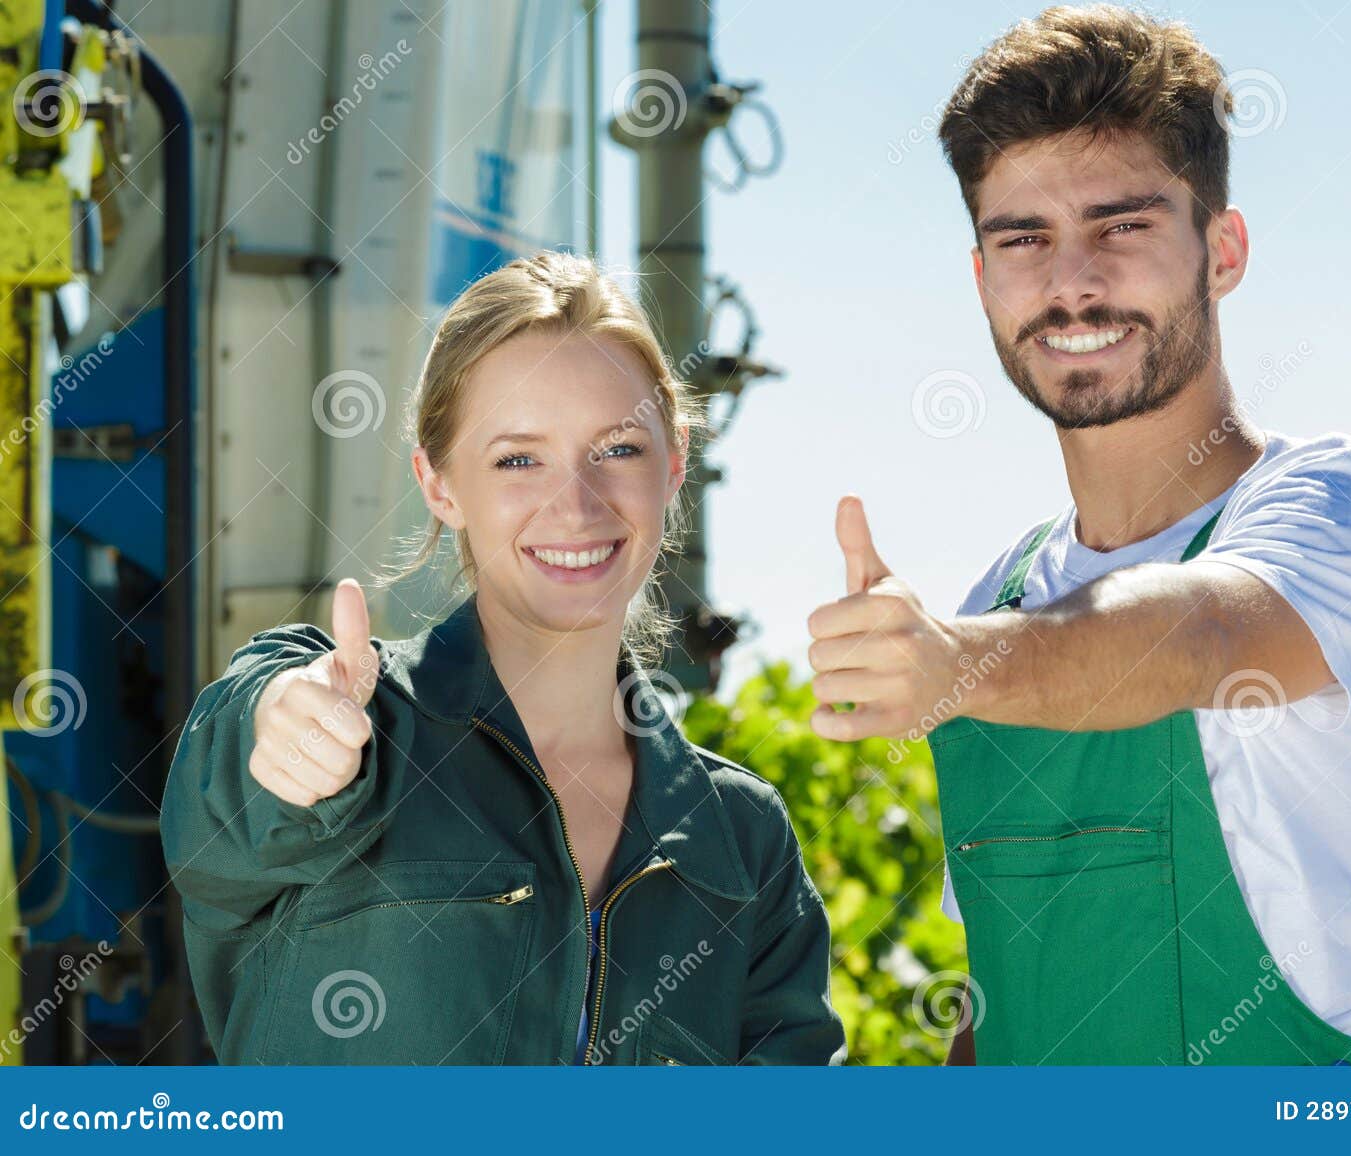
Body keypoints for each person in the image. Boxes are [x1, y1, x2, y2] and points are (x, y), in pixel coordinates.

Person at [806, 4, 1351, 1065]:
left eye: (1122, 226)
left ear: (1223, 248)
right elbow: (999, 1008)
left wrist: (960, 663)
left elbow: (1195, 636)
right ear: (981, 277)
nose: (1072, 282)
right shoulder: (1002, 598)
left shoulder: (1334, 514)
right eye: (1024, 239)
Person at [161, 251, 846, 1066]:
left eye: (619, 449)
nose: (577, 505)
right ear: (440, 483)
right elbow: (236, 769)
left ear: (676, 465)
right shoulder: (357, 733)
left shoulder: (740, 838)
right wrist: (282, 733)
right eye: (518, 459)